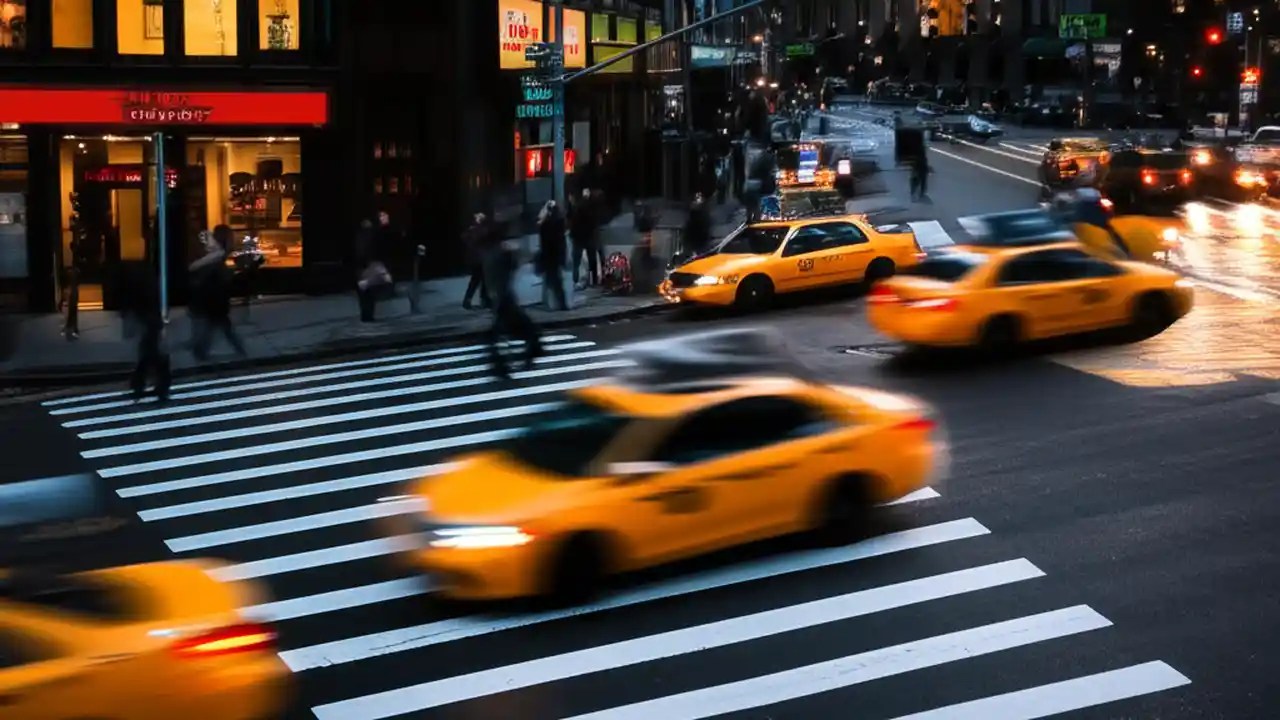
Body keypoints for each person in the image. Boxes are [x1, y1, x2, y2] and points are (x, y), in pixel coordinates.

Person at [482, 225, 543, 379]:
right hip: (505, 299)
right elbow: (512, 265)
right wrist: (512, 251)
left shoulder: (489, 255)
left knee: (497, 335)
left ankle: (500, 364)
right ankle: (509, 362)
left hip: (500, 299)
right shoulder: (499, 254)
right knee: (529, 331)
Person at [189, 225, 245, 360]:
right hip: (212, 301)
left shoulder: (213, 255)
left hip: (208, 301)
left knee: (217, 327)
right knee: (219, 326)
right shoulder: (217, 258)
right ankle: (239, 351)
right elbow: (213, 279)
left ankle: (201, 352)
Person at [117, 261, 170, 403]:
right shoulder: (150, 285)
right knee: (150, 356)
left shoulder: (137, 288)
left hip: (148, 324)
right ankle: (156, 386)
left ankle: (143, 386)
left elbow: (133, 306)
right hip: (152, 323)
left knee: (148, 357)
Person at [537, 200, 568, 311]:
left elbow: (548, 241)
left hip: (551, 256)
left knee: (554, 281)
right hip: (553, 256)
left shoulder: (549, 224)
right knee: (552, 280)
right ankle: (552, 303)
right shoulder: (558, 223)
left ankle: (559, 303)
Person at [462, 213, 494, 310]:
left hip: (479, 259)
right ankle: (480, 300)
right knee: (478, 280)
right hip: (478, 259)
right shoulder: (477, 230)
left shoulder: (475, 230)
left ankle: (481, 300)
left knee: (480, 281)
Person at [569, 189, 599, 287]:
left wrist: (572, 235)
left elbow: (573, 222)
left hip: (578, 237)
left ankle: (575, 280)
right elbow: (593, 221)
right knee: (592, 259)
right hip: (588, 236)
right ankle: (593, 280)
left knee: (576, 261)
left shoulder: (577, 208)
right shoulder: (591, 207)